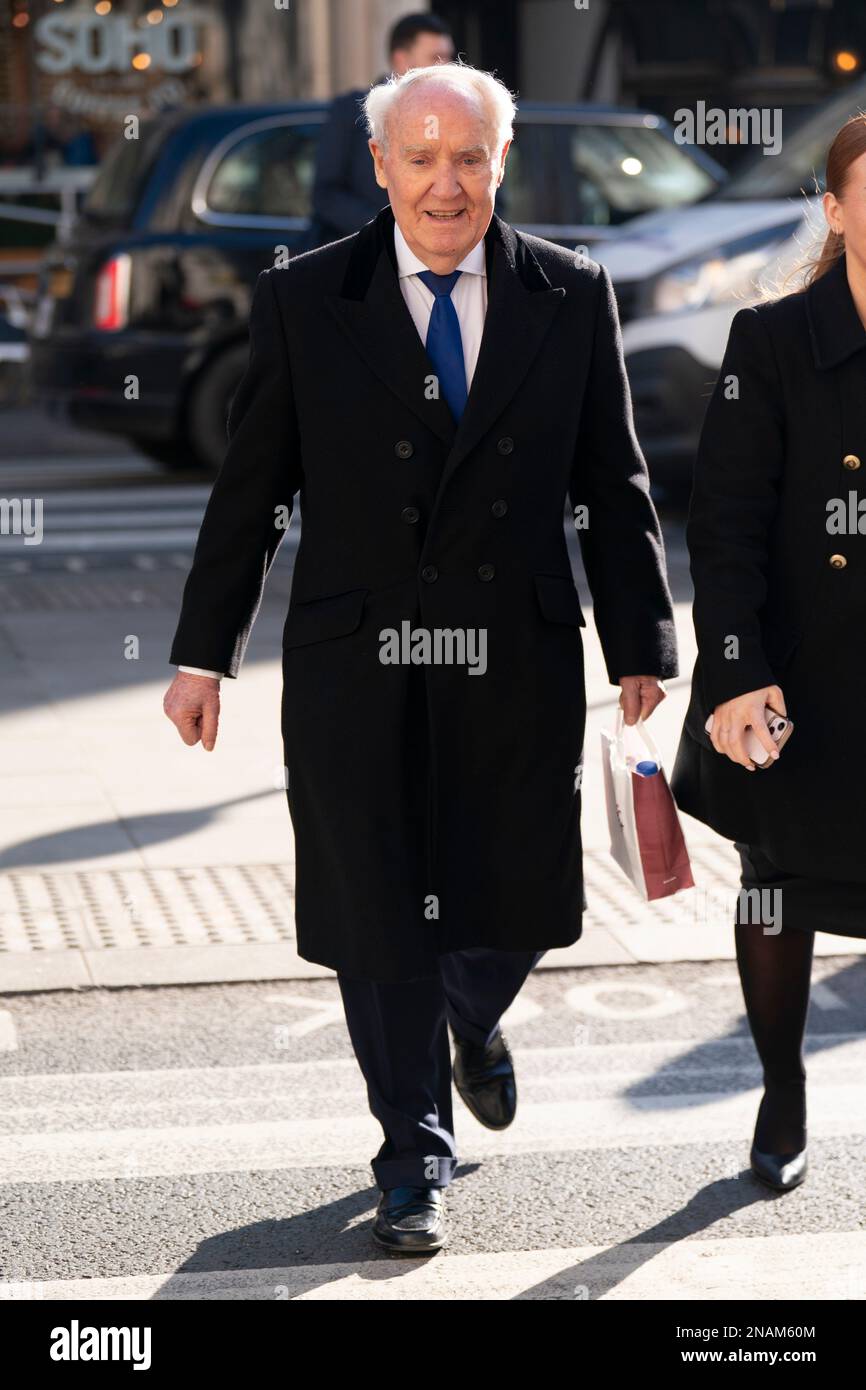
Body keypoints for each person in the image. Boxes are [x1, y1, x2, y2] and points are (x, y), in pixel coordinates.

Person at [164, 62, 677, 1255]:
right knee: (376, 905)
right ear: (380, 166)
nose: (444, 184)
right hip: (359, 656)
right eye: (420, 158)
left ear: (500, 164)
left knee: (525, 897)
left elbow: (613, 478)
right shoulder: (305, 296)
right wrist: (202, 655)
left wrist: (639, 635)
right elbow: (251, 493)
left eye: (468, 158)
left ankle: (467, 1011)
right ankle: (412, 1156)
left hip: (518, 652)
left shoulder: (568, 290)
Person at [671, 114, 866, 1197]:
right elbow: (725, 524)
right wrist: (738, 670)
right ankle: (780, 1085)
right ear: (834, 212)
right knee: (774, 888)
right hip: (801, 670)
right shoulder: (772, 343)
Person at [311, 12, 454, 245]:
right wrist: (392, 230)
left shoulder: (459, 115)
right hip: (364, 254)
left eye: (449, 57)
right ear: (401, 60)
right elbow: (326, 195)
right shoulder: (352, 111)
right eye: (436, 57)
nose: (447, 67)